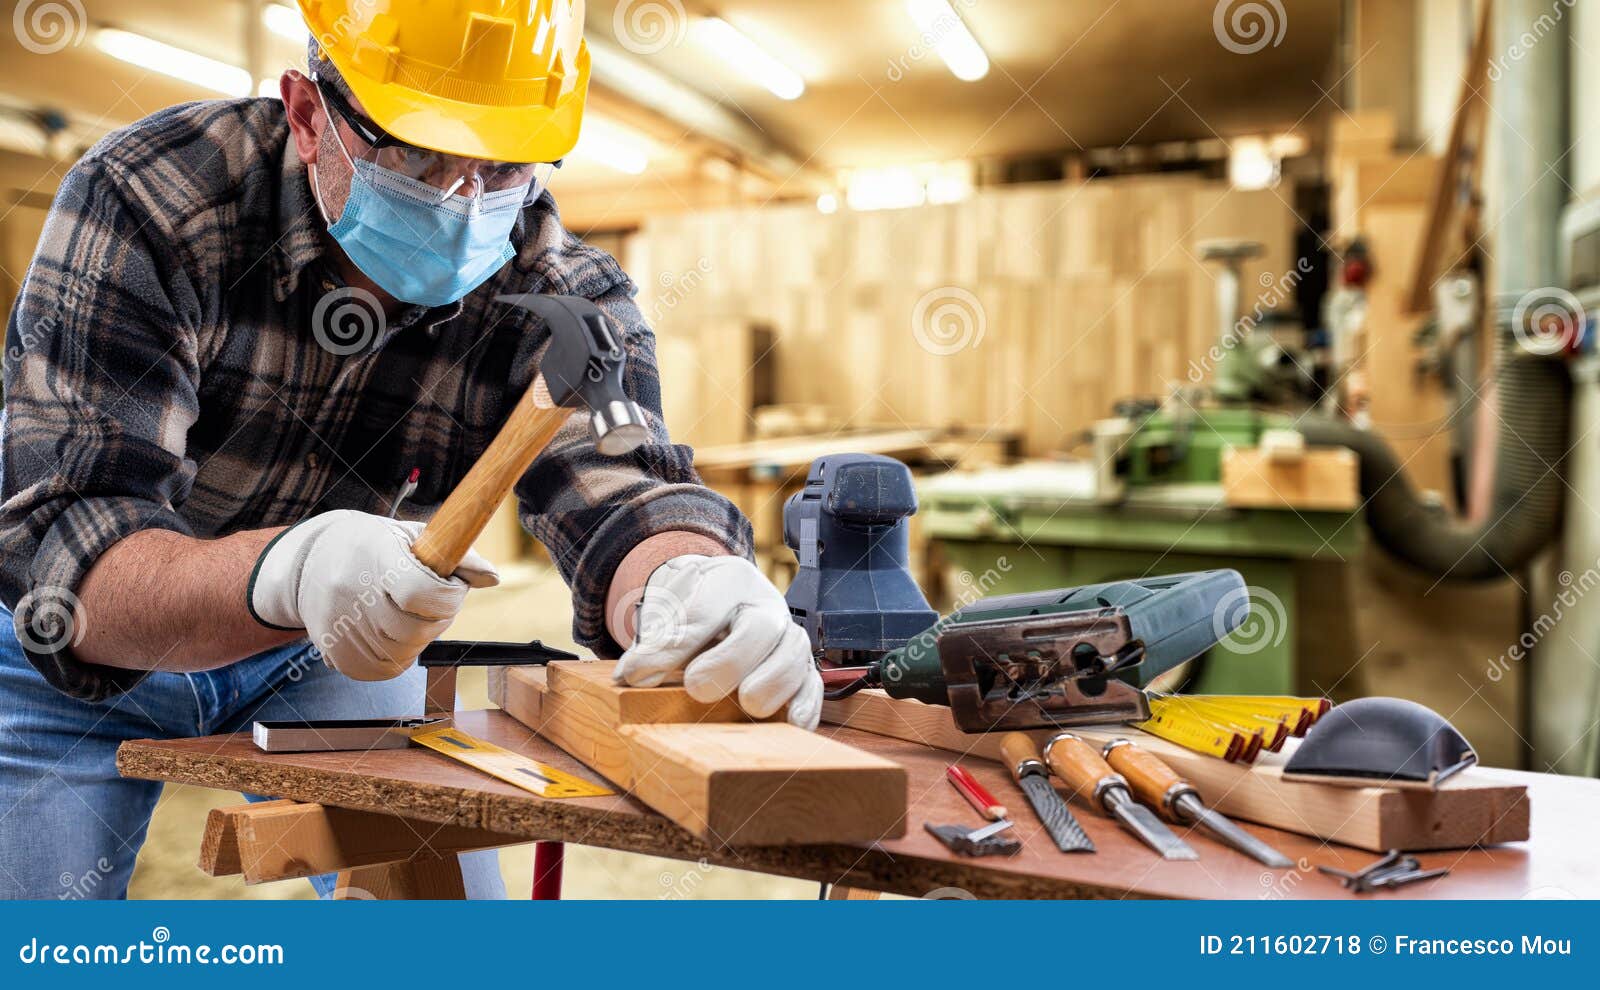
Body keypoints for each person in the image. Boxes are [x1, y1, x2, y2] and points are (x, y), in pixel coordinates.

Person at [0, 0, 819, 900]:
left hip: (327, 647)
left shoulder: (564, 293)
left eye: (505, 162)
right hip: (64, 650)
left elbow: (621, 485)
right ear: (311, 116)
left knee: (444, 929)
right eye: (421, 152)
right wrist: (285, 569)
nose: (466, 200)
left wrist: (683, 580)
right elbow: (71, 558)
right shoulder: (152, 196)